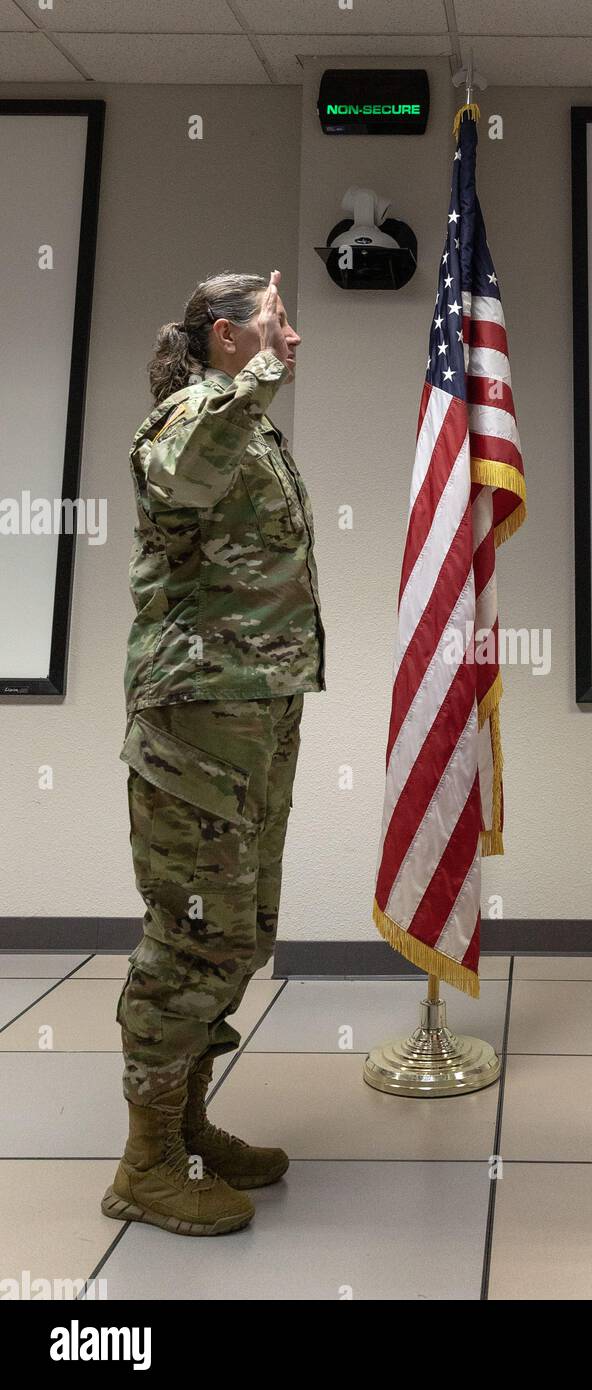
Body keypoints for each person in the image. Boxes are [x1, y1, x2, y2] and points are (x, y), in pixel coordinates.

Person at [103, 269, 325, 1236]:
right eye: (271, 323)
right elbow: (189, 475)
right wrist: (262, 374)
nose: (287, 335)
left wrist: (260, 381)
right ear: (227, 337)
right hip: (196, 721)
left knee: (239, 929)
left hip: (255, 713)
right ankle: (146, 1159)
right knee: (189, 936)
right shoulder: (189, 417)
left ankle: (187, 1124)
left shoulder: (249, 421)